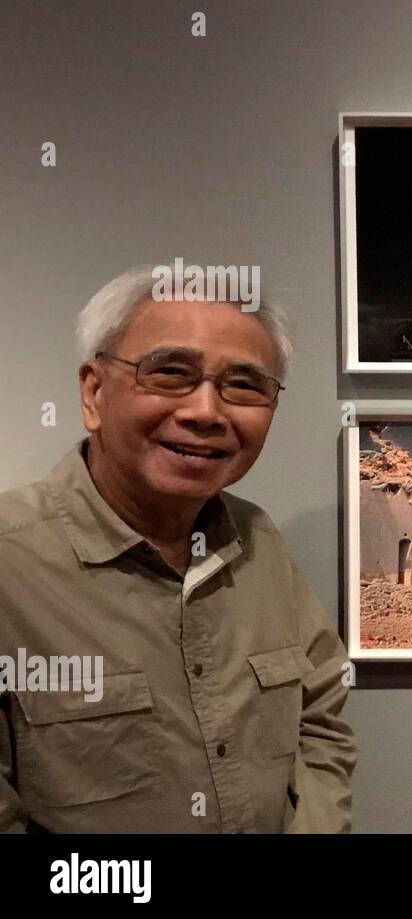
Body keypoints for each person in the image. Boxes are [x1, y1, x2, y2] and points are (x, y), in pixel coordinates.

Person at [0, 265, 357, 833]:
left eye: (244, 384)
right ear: (93, 392)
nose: (206, 412)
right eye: (169, 373)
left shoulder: (258, 542)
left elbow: (320, 719)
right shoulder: (12, 566)